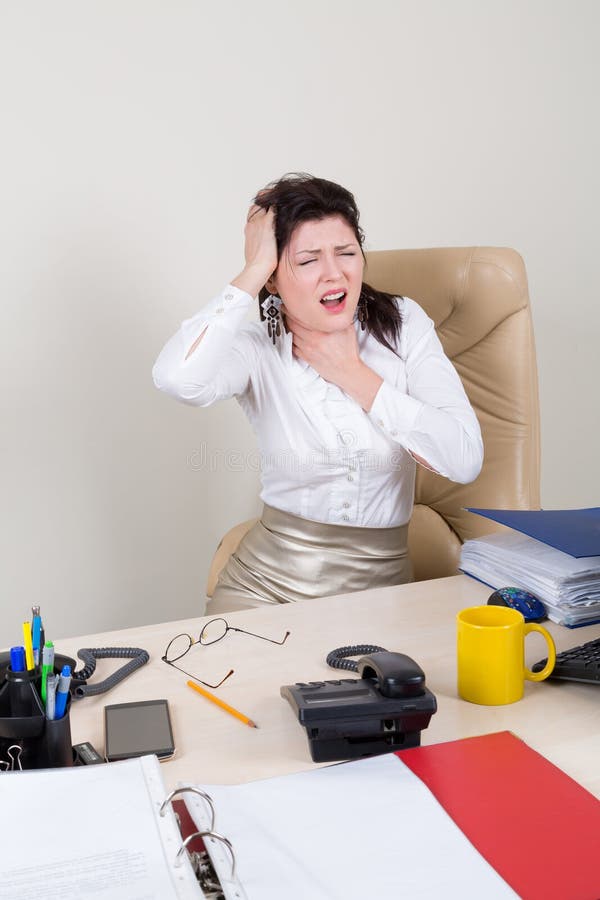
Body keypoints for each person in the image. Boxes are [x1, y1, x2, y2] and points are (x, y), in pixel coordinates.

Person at [152, 173, 483, 613]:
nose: (334, 273)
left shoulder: (402, 325)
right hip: (263, 588)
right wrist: (254, 269)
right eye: (308, 260)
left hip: (380, 598)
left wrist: (353, 374)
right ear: (274, 280)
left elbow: (463, 458)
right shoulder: (257, 348)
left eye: (346, 252)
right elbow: (177, 378)